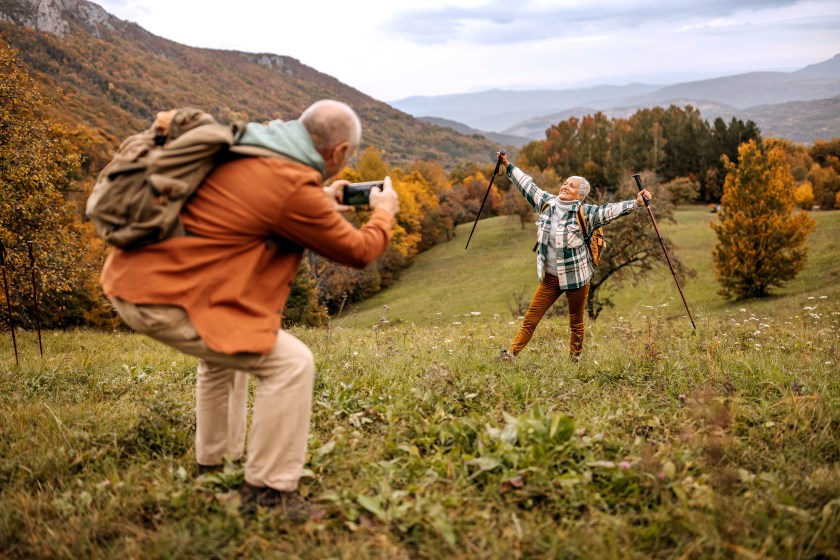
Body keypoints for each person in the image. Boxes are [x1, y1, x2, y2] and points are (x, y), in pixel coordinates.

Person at [100, 99, 399, 521]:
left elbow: (258, 208)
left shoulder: (258, 147)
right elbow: (360, 250)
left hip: (139, 280)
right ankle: (269, 493)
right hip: (163, 295)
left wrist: (318, 200)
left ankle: (214, 467)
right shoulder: (293, 184)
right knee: (292, 364)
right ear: (339, 152)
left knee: (224, 357)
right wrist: (383, 213)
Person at [497, 151, 651, 362]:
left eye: (571, 186)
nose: (565, 186)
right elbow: (527, 186)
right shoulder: (547, 204)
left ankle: (574, 359)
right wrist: (507, 165)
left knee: (576, 321)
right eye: (565, 183)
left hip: (577, 279)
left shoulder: (586, 213)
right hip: (551, 278)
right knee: (530, 319)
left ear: (580, 195)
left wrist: (636, 203)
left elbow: (610, 210)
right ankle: (510, 355)